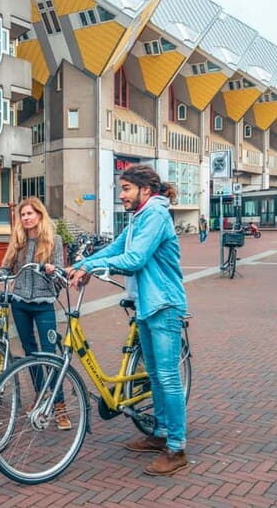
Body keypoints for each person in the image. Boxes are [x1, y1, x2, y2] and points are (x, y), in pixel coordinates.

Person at [67, 164, 188, 476]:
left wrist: (92, 269)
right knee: (156, 376)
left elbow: (134, 259)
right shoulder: (138, 218)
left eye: (126, 189)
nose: (121, 195)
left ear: (144, 191)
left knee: (168, 376)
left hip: (164, 304)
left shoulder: (156, 215)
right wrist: (81, 264)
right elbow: (115, 248)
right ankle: (160, 433)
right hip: (146, 304)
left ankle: (176, 448)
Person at [0, 197, 69, 429]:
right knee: (30, 353)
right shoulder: (17, 241)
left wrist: (51, 271)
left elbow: (60, 272)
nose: (26, 218)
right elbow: (5, 270)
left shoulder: (53, 240)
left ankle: (59, 406)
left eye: (30, 213)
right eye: (23, 215)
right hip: (20, 303)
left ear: (40, 215)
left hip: (43, 304)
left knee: (49, 354)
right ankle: (41, 398)